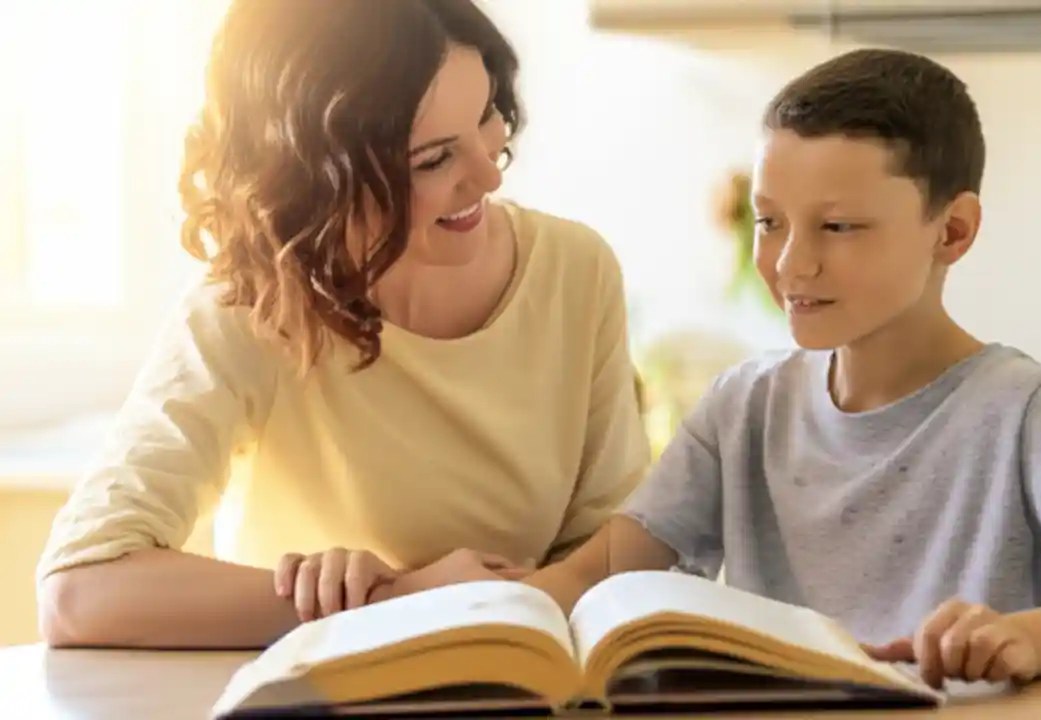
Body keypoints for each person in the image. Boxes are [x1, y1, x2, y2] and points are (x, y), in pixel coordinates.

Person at [524, 48, 1041, 689]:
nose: (791, 264)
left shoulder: (1021, 405)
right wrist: (454, 605)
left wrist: (1022, 637)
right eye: (769, 223)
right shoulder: (743, 406)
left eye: (838, 227)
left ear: (953, 232)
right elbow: (593, 574)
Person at [37, 0, 649, 649]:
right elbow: (79, 591)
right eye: (434, 159)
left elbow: (619, 542)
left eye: (487, 115)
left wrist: (487, 603)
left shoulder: (576, 272)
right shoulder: (252, 309)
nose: (487, 174)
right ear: (321, 178)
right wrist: (381, 603)